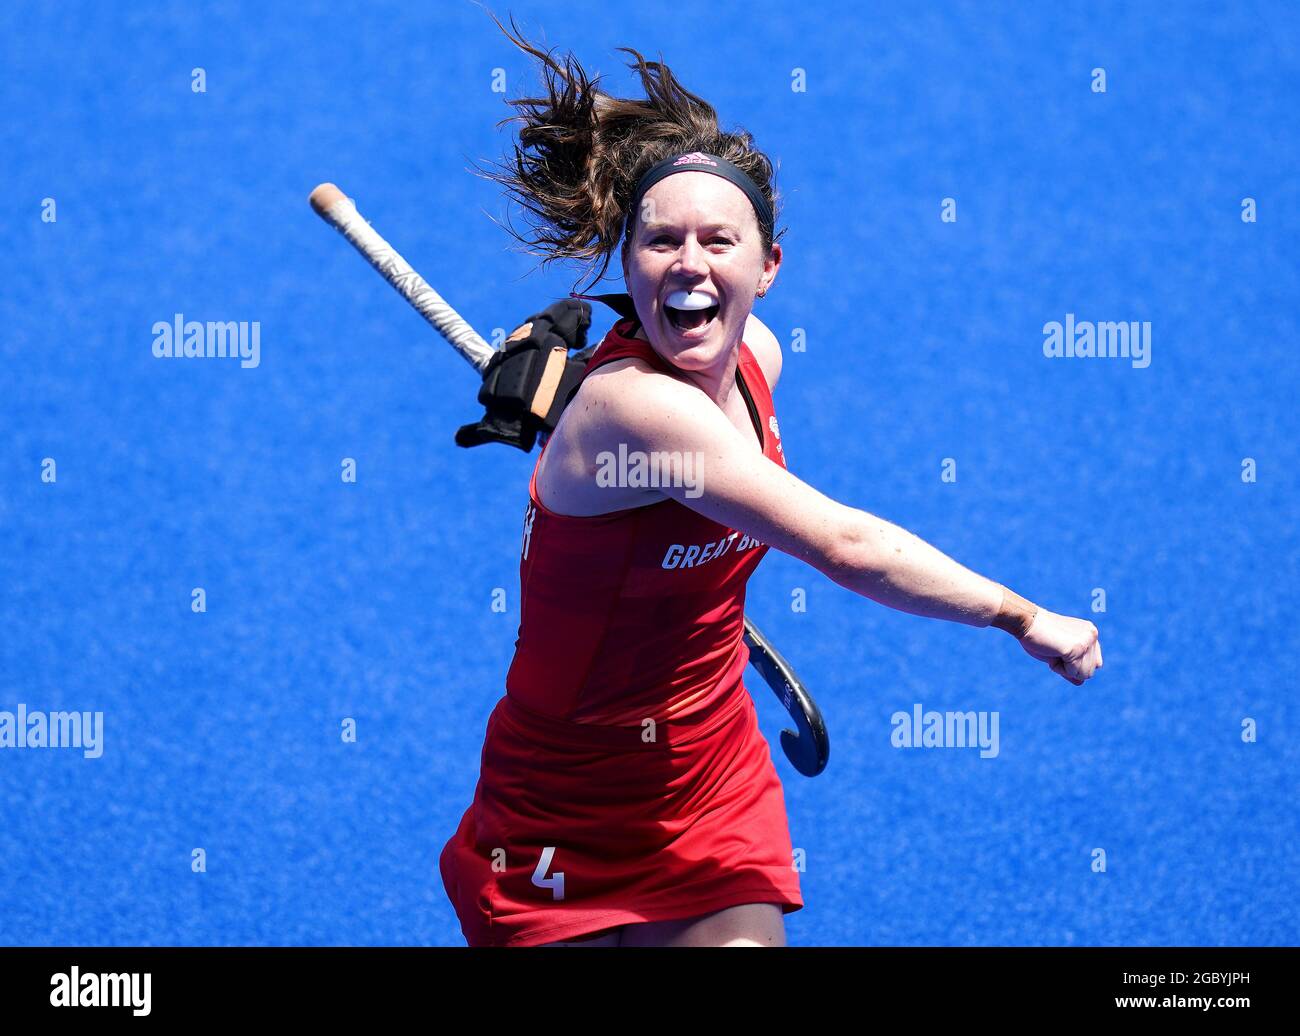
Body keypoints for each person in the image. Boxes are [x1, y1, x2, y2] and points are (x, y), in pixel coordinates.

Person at [439, 17, 1102, 948]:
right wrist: (1024, 617)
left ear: (768, 266)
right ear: (627, 268)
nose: (691, 263)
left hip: (709, 771)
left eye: (721, 240)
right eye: (661, 242)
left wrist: (574, 425)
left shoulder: (756, 357)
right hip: (564, 791)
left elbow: (696, 497)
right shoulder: (633, 409)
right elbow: (845, 545)